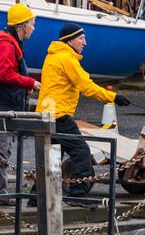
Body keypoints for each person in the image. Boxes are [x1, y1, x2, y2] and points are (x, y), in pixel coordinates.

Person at [36, 23, 128, 196]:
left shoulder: (53, 56)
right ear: (70, 40)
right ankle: (79, 194)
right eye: (81, 38)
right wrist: (113, 97)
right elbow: (87, 87)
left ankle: (36, 197)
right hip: (59, 115)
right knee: (81, 152)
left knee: (52, 157)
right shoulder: (67, 59)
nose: (84, 42)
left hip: (46, 114)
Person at [0, 3, 39, 197]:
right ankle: (1, 194)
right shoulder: (7, 44)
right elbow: (4, 74)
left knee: (3, 150)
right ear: (22, 26)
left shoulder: (10, 42)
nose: (33, 28)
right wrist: (29, 82)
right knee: (2, 150)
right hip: (4, 107)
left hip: (7, 104)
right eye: (32, 24)